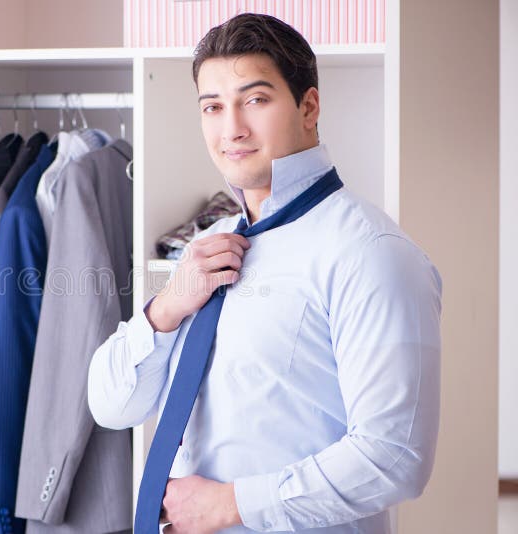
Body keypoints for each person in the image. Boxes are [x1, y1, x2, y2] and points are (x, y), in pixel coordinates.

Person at [87, 13, 442, 534]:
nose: (231, 128)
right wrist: (164, 310)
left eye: (255, 100)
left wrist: (231, 505)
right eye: (213, 106)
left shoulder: (372, 254)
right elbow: (111, 406)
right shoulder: (205, 253)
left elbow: (394, 457)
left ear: (309, 106)